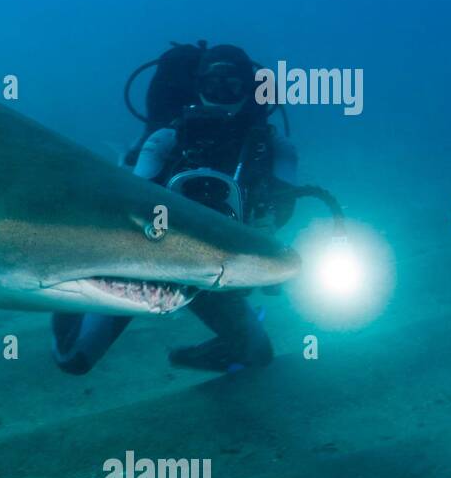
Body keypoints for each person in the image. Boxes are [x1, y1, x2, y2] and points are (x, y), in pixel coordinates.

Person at [52, 41, 298, 375]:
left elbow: (283, 207)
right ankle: (64, 302)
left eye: (233, 85)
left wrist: (265, 223)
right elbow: (134, 203)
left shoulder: (274, 148)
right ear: (198, 87)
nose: (222, 93)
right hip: (149, 264)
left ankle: (189, 356)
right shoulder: (165, 140)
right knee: (74, 360)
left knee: (258, 356)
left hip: (216, 270)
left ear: (251, 89)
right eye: (213, 84)